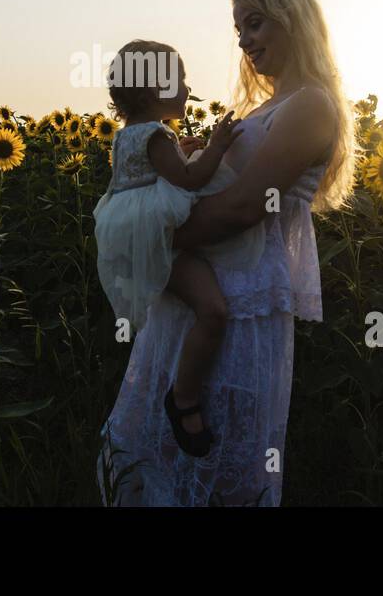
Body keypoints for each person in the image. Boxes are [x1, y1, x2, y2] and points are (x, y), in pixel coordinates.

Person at [96, 0, 358, 506]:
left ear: (294, 20)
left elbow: (243, 206)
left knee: (218, 460)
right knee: (164, 454)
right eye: (239, 28)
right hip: (197, 296)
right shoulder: (266, 107)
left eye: (256, 23)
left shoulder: (310, 105)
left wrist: (156, 238)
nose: (245, 39)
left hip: (240, 300)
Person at [93, 39, 265, 456]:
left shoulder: (128, 136)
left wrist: (179, 154)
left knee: (199, 311)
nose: (188, 89)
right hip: (161, 242)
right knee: (213, 312)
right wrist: (218, 148)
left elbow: (150, 175)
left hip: (137, 237)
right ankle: (183, 395)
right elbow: (190, 182)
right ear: (155, 90)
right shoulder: (155, 134)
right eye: (180, 81)